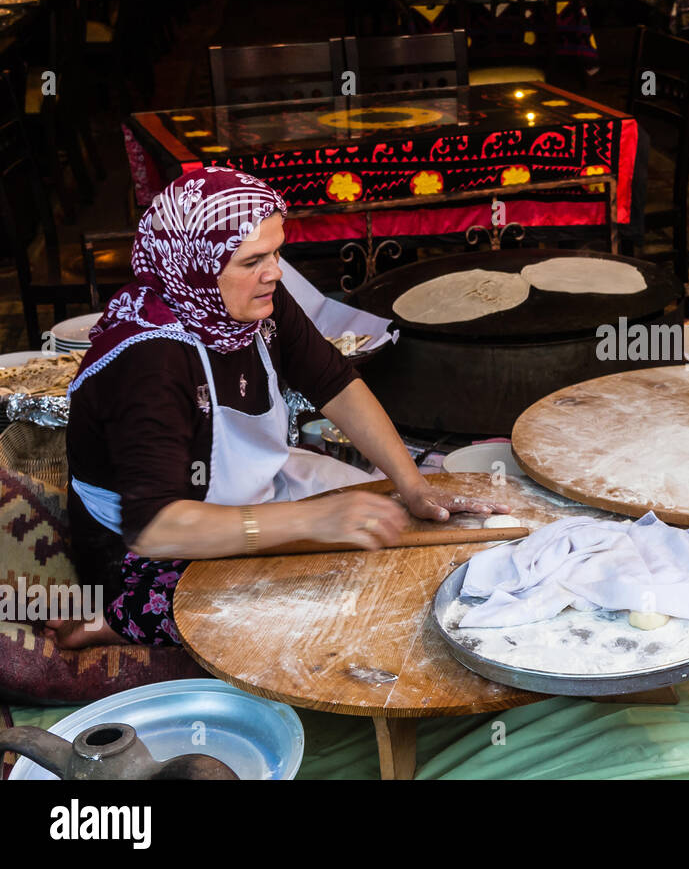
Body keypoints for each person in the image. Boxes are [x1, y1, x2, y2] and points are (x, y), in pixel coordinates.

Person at [54, 167, 509, 649]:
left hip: (248, 494)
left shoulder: (253, 300)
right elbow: (155, 528)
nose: (274, 271)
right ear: (198, 266)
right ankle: (110, 623)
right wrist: (311, 523)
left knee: (384, 542)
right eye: (253, 260)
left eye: (276, 252)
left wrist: (412, 485)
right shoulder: (151, 361)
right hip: (148, 548)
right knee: (306, 615)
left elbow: (334, 382)